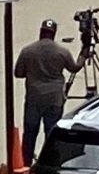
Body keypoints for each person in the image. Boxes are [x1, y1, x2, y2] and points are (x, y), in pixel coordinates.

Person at [14, 18, 76, 162]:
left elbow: (18, 73)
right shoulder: (62, 51)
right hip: (54, 99)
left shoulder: (28, 50)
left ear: (41, 32)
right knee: (51, 132)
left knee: (30, 132)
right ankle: (49, 162)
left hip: (34, 98)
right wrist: (83, 55)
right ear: (54, 34)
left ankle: (26, 161)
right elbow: (73, 68)